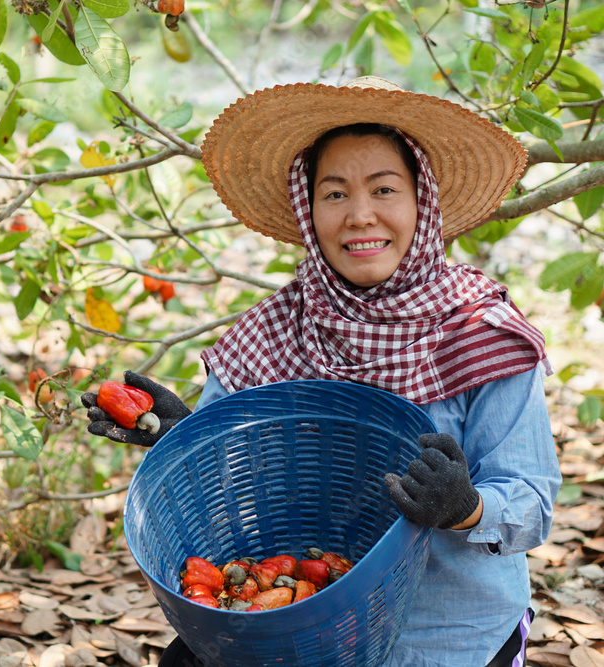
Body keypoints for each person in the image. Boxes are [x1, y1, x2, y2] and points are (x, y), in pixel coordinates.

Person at [82, 77, 561, 667]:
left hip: (447, 632)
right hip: (294, 625)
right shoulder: (271, 333)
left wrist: (465, 507)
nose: (360, 216)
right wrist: (187, 440)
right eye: (334, 194)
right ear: (309, 212)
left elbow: (531, 503)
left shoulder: (482, 332)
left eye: (384, 189)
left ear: (423, 201)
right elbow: (219, 501)